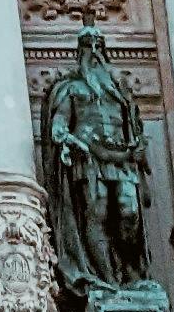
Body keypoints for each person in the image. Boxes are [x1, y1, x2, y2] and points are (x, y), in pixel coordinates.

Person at [40, 29, 152, 295]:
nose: (95, 53)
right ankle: (107, 279)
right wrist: (70, 141)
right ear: (81, 53)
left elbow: (133, 127)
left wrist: (139, 149)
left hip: (122, 159)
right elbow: (59, 126)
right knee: (97, 213)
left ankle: (131, 273)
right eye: (89, 47)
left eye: (99, 47)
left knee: (129, 212)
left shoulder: (120, 93)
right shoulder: (71, 89)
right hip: (89, 160)